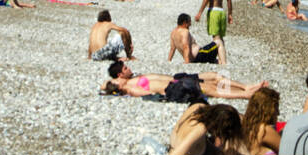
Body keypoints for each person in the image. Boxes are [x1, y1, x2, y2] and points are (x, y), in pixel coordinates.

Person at [104, 62, 266, 101]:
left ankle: (245, 87)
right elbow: (149, 93)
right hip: (174, 88)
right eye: (125, 68)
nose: (129, 68)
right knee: (211, 89)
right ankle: (246, 95)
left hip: (178, 79)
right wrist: (120, 87)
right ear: (119, 76)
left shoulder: (132, 79)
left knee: (215, 76)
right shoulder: (129, 87)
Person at [194, 0, 233, 66]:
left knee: (216, 38)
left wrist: (199, 12)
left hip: (214, 11)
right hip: (222, 12)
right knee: (220, 37)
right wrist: (230, 14)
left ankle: (223, 62)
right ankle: (221, 59)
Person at [240, 87, 282, 155]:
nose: (278, 113)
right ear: (268, 109)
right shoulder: (265, 130)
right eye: (276, 108)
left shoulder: (246, 127)